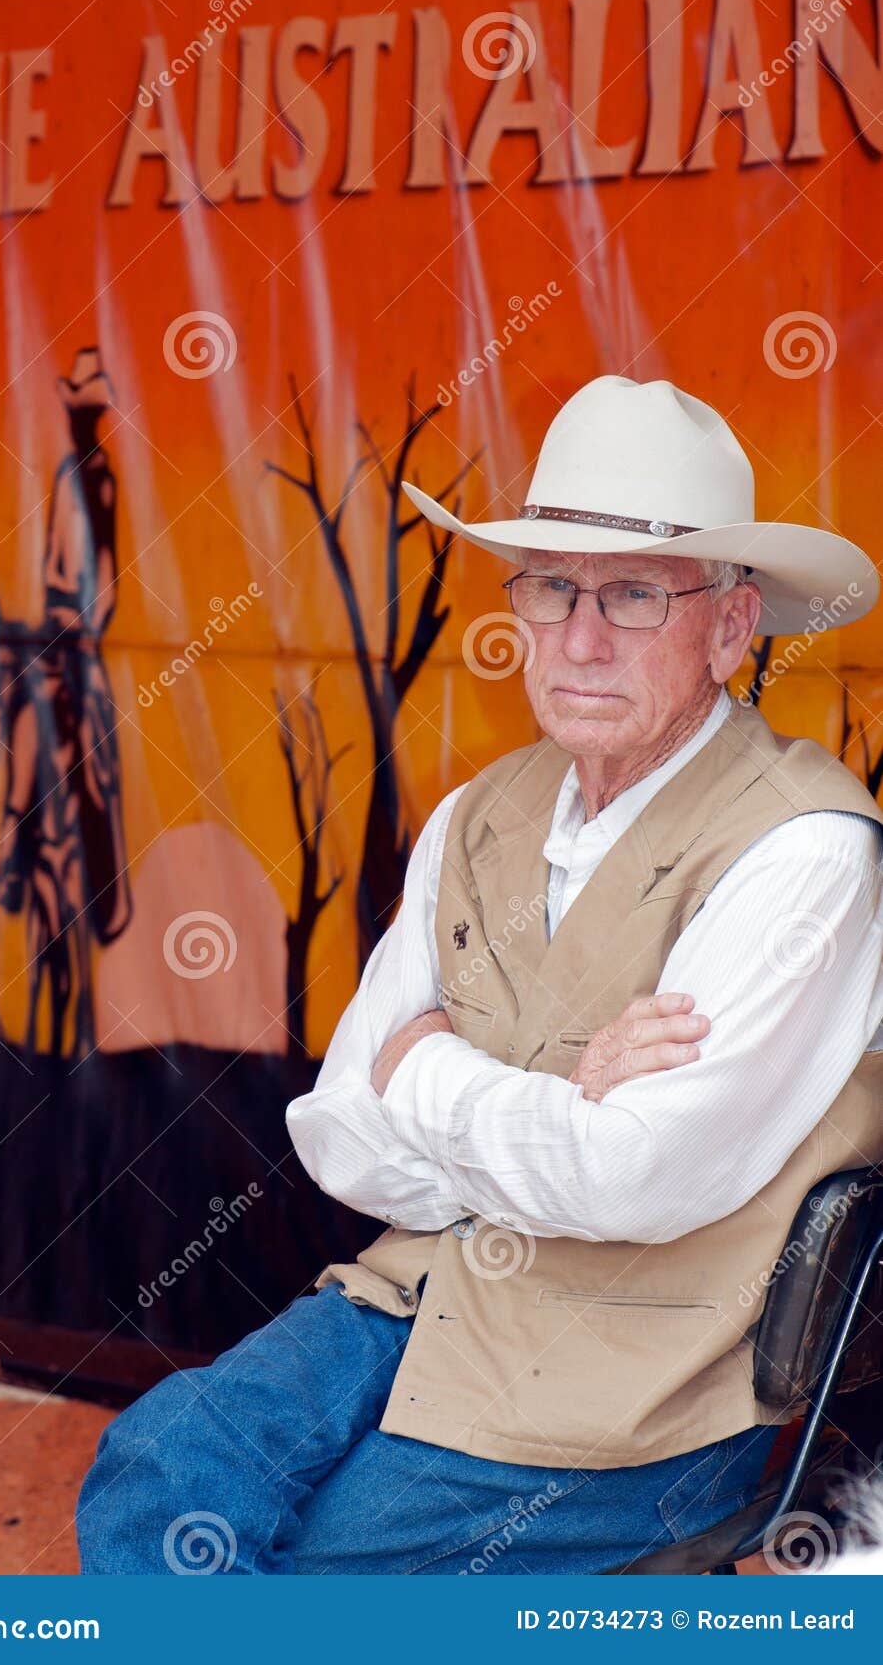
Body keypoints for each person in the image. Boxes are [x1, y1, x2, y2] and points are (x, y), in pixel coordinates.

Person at [77, 374, 883, 1575]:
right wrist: (561, 1102)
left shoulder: (801, 847)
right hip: (412, 1298)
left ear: (729, 626)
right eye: (550, 586)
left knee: (317, 1578)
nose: (579, 637)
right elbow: (339, 1136)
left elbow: (627, 1179)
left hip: (629, 1387)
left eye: (632, 595)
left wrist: (428, 1068)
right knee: (151, 1477)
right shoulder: (474, 815)